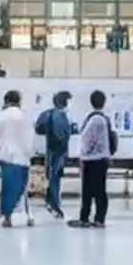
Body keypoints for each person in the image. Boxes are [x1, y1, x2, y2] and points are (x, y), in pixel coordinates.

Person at [69, 89, 114, 229]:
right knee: (98, 190)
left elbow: (87, 139)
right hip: (101, 158)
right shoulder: (104, 118)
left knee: (90, 190)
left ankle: (89, 218)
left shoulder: (95, 119)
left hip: (93, 159)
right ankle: (96, 218)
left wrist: (82, 156)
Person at [0, 90, 35, 228]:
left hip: (6, 157)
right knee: (22, 188)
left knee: (7, 188)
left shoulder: (0, 117)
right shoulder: (24, 117)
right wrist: (29, 153)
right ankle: (28, 215)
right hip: (22, 158)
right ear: (18, 101)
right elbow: (29, 138)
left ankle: (7, 217)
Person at [35, 91, 73, 219]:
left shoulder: (48, 114)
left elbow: (38, 128)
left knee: (53, 178)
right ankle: (54, 205)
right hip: (58, 152)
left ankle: (51, 202)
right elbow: (64, 135)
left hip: (51, 151)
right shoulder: (61, 116)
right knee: (55, 179)